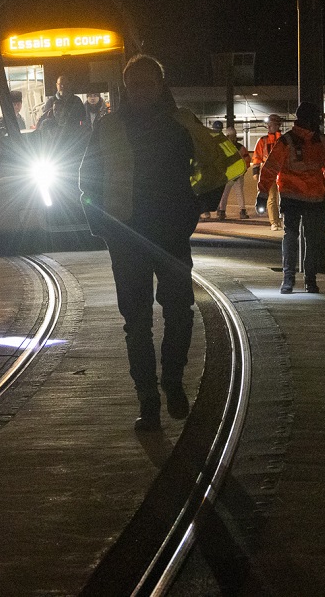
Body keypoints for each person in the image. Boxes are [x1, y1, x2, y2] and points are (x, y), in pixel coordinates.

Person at [79, 55, 209, 431]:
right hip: (127, 238)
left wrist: (196, 209)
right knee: (136, 324)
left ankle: (172, 379)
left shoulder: (182, 123)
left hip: (171, 236)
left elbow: (215, 167)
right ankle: (148, 399)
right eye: (133, 84)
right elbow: (88, 179)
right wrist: (102, 228)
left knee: (180, 312)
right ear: (124, 86)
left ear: (159, 85)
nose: (139, 90)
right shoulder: (107, 128)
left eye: (146, 83)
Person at [256, 102, 325, 294]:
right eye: (315, 118)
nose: (317, 122)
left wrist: (263, 194)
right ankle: (309, 280)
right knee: (309, 239)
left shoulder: (288, 140)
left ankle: (289, 280)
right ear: (308, 119)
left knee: (292, 236)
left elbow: (270, 168)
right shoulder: (318, 140)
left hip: (294, 197)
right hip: (310, 198)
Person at [251, 114, 285, 231]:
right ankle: (274, 222)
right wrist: (256, 171)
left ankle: (282, 220)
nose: (269, 127)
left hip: (283, 173)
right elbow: (257, 156)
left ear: (277, 125)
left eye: (271, 124)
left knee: (284, 197)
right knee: (271, 198)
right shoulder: (263, 141)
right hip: (269, 173)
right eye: (268, 124)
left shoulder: (283, 140)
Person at [214, 125, 252, 220]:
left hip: (230, 175)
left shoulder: (224, 147)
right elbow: (247, 159)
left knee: (225, 194)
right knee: (237, 193)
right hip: (236, 174)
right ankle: (241, 211)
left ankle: (222, 211)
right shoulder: (240, 147)